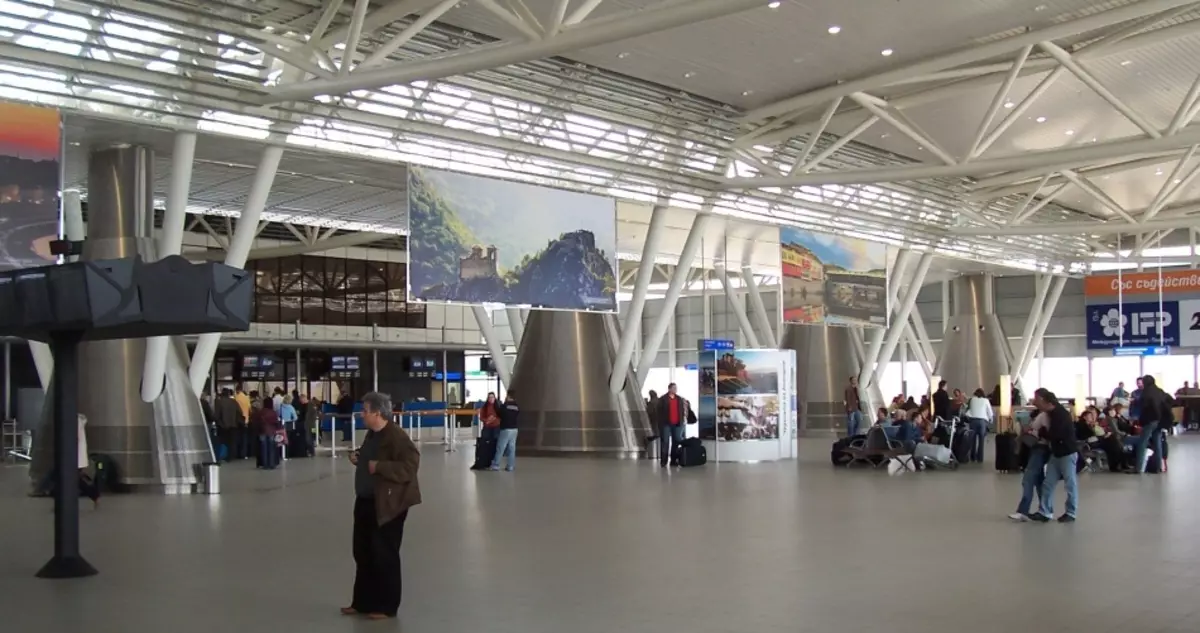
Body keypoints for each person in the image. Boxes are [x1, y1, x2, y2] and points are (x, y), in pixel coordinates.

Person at [343, 392, 421, 620]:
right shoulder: (372, 435)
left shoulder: (396, 437)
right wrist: (360, 458)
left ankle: (387, 605)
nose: (362, 415)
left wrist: (379, 467)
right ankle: (363, 602)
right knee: (363, 552)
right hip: (366, 500)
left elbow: (409, 467)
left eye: (365, 411)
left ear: (378, 413)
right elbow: (370, 458)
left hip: (388, 504)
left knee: (384, 553)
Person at [1033, 390, 1079, 523]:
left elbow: (1056, 434)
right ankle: (1045, 512)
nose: (1035, 402)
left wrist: (1042, 432)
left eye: (1036, 399)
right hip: (1056, 453)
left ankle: (1071, 512)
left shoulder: (1060, 414)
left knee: (1070, 484)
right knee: (1048, 484)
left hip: (1067, 453)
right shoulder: (1051, 414)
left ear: (1043, 399)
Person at [1009, 390, 1051, 522]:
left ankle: (1023, 511)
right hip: (1043, 448)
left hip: (1039, 448)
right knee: (1039, 481)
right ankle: (1046, 509)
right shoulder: (1048, 414)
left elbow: (1032, 428)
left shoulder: (1044, 415)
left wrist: (1027, 429)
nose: (1034, 400)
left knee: (1028, 479)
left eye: (1036, 398)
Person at [1133, 375, 1172, 474]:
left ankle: (1138, 468)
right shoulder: (1159, 391)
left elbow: (1145, 409)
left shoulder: (1146, 393)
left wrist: (1142, 421)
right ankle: (1158, 467)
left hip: (1150, 420)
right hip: (1160, 421)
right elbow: (1170, 400)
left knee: (1142, 443)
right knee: (1157, 443)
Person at [656, 382, 690, 467]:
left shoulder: (679, 399)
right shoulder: (663, 399)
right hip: (666, 424)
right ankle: (663, 461)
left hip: (677, 423)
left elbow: (682, 410)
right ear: (669, 389)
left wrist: (683, 420)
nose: (675, 389)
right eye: (674, 388)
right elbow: (658, 412)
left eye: (676, 388)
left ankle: (673, 460)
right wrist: (660, 422)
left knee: (676, 441)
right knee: (665, 442)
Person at [490, 391, 520, 471]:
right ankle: (510, 466)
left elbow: (499, 413)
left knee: (501, 447)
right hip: (514, 429)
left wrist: (496, 403)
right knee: (512, 448)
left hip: (506, 429)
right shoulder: (517, 406)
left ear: (508, 396)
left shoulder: (505, 406)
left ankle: (496, 464)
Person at [963, 388, 994, 463]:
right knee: (981, 440)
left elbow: (967, 410)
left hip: (973, 421)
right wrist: (991, 419)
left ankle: (972, 457)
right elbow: (990, 411)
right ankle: (980, 458)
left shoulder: (972, 400)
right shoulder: (986, 400)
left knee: (973, 439)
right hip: (982, 422)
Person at [214, 388, 242, 462]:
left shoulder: (219, 402)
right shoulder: (234, 402)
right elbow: (240, 412)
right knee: (231, 442)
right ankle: (230, 457)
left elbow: (216, 415)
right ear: (229, 394)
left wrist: (217, 421)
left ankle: (220, 456)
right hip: (233, 425)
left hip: (222, 425)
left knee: (220, 442)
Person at [255, 398, 281, 469]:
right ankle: (272, 463)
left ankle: (265, 464)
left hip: (262, 431)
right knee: (271, 448)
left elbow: (256, 421)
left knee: (263, 448)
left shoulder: (261, 412)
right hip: (271, 432)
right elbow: (276, 422)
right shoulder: (273, 412)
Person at [234, 384, 252, 460]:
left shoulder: (235, 398)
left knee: (237, 437)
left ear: (237, 390)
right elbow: (250, 409)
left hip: (237, 420)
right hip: (245, 420)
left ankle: (237, 453)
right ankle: (244, 454)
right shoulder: (246, 398)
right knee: (244, 438)